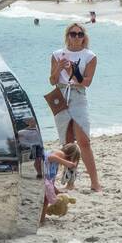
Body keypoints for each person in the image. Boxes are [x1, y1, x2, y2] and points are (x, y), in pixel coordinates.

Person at [49, 24, 101, 191]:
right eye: (73, 34)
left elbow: (86, 82)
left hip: (78, 95)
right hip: (61, 95)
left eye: (80, 34)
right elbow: (52, 80)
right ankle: (70, 182)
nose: (77, 37)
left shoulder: (89, 56)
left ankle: (95, 183)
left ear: (84, 37)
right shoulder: (57, 54)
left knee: (84, 141)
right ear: (68, 36)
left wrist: (72, 70)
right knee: (67, 143)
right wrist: (59, 67)